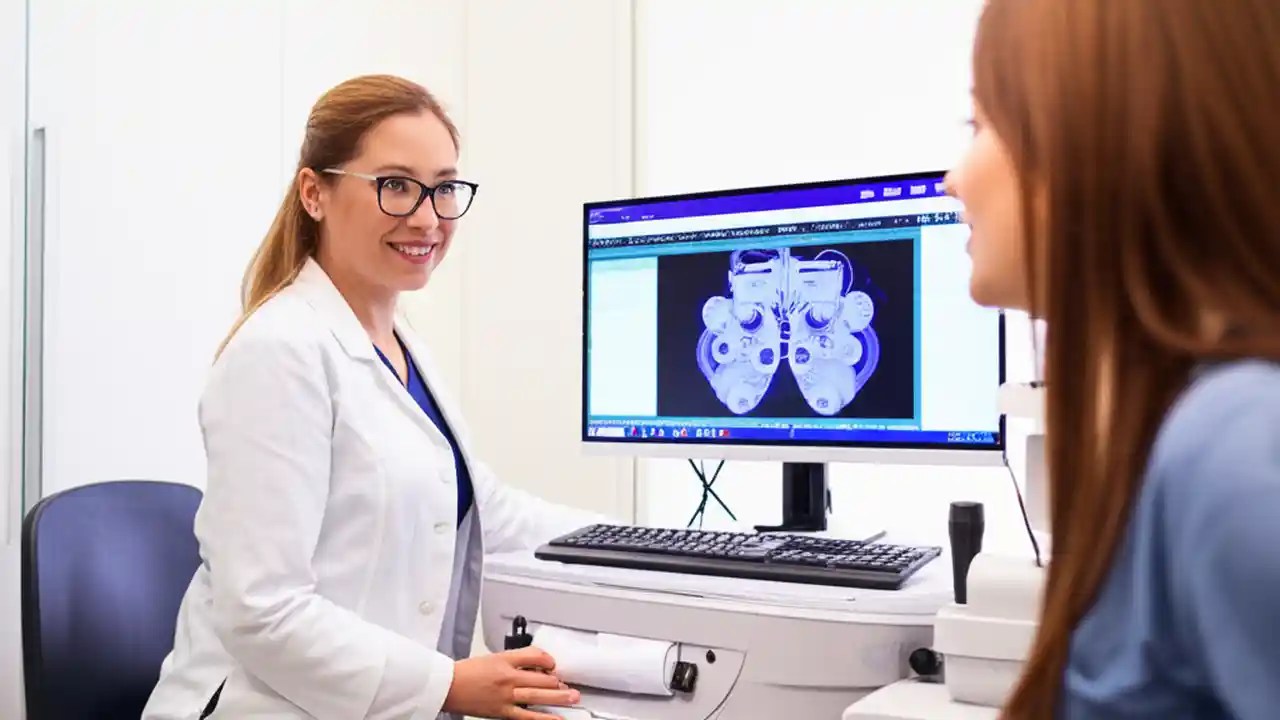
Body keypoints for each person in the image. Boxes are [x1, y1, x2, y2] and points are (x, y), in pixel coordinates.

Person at [143, 74, 609, 720]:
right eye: (395, 185)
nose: (427, 216)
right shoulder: (278, 353)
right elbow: (262, 610)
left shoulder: (399, 343)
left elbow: (487, 512)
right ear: (315, 193)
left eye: (444, 188)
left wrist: (647, 542)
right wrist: (449, 685)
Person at [944, 0, 1280, 718]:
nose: (953, 178)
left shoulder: (1236, 444)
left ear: (1090, 134)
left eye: (978, 126)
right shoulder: (1174, 427)